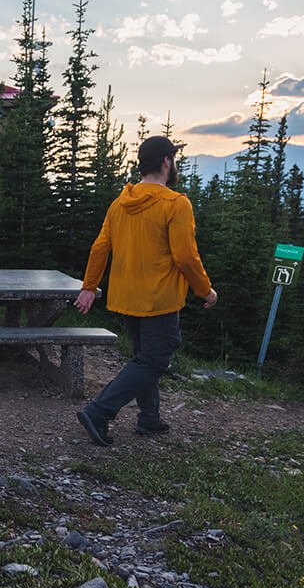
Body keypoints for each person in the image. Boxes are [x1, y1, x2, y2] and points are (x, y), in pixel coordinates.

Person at [74, 135, 216, 445]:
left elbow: (100, 248)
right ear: (167, 162)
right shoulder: (176, 204)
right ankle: (99, 412)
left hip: (126, 297)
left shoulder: (120, 202)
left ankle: (149, 418)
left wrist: (90, 287)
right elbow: (185, 256)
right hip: (159, 300)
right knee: (153, 361)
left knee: (144, 357)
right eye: (173, 159)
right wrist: (204, 290)